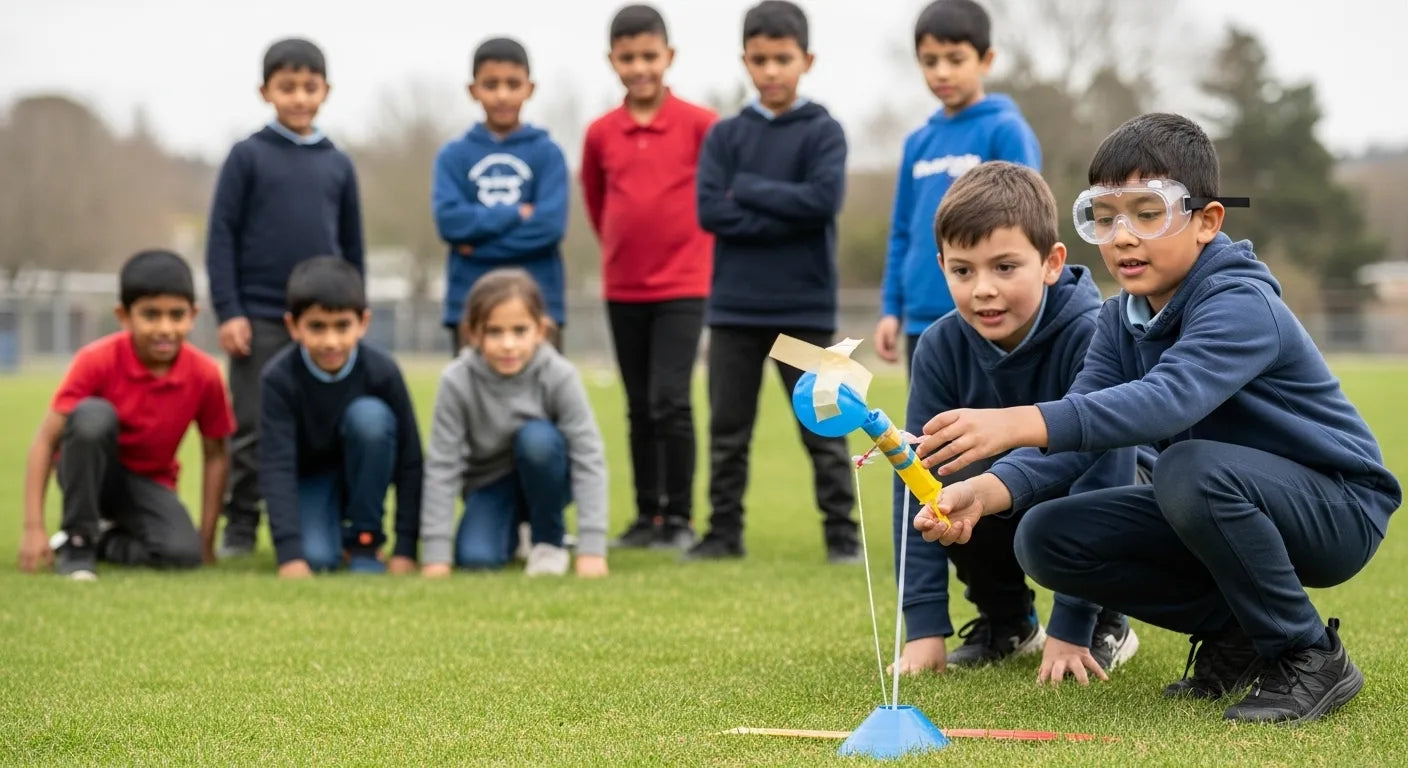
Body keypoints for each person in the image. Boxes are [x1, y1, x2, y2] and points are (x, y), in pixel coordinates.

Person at [915, 113, 1401, 723]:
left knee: (1186, 468)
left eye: (1148, 214)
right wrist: (984, 492)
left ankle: (1308, 654)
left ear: (1207, 221)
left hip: (1339, 509)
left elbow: (1166, 399)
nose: (1122, 237)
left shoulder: (1240, 300)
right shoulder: (1120, 318)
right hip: (1222, 496)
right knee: (1045, 536)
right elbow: (1081, 435)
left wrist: (1015, 421)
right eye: (1105, 216)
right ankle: (1237, 635)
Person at [892, 161, 1141, 678]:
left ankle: (1104, 620)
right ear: (942, 267)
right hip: (1009, 491)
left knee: (1106, 494)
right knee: (951, 480)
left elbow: (1106, 467)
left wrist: (1071, 625)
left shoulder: (1095, 333)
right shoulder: (939, 346)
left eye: (1004, 267)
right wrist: (922, 628)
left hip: (1114, 486)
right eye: (963, 271)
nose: (983, 288)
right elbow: (916, 478)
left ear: (1051, 263)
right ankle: (1008, 621)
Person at [688, 0, 858, 563]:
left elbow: (821, 202)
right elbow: (711, 211)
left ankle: (842, 537)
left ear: (806, 60)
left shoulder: (825, 132)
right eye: (760, 60)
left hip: (804, 307)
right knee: (728, 432)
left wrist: (748, 189)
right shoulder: (724, 136)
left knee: (824, 427)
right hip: (733, 310)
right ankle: (723, 534)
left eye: (783, 59)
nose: (771, 70)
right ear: (745, 61)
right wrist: (785, 211)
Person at [206, 37, 365, 558]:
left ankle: (337, 521)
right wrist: (230, 311)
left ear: (326, 91)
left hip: (325, 323)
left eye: (309, 87)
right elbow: (221, 237)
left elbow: (353, 247)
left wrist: (353, 313)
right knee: (253, 427)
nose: (299, 97)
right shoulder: (246, 157)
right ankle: (241, 525)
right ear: (265, 92)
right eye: (287, 87)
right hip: (259, 318)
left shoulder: (338, 164)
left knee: (332, 422)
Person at [580, 4, 717, 551]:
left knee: (671, 400)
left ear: (669, 56)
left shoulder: (701, 125)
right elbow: (597, 203)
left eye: (648, 56)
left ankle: (679, 517)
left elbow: (715, 195)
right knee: (638, 405)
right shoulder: (599, 133)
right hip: (623, 287)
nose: (639, 67)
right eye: (627, 57)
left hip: (684, 285)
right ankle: (646, 516)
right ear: (612, 60)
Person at [18, 250, 234, 579]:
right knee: (93, 415)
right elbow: (46, 442)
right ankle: (78, 543)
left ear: (193, 315)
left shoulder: (205, 374)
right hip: (90, 474)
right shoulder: (95, 360)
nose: (165, 328)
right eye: (151, 315)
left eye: (177, 315)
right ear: (124, 315)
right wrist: (33, 528)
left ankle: (104, 540)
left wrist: (205, 540)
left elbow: (216, 453)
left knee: (181, 554)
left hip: (150, 485)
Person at [873, 0, 1040, 371]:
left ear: (986, 60)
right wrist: (891, 309)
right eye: (930, 61)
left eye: (955, 59)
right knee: (926, 412)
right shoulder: (917, 142)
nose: (942, 72)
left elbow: (1030, 227)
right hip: (920, 321)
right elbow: (901, 232)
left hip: (987, 315)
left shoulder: (1006, 131)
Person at [420, 268, 609, 578]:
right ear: (473, 333)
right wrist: (436, 554)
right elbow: (442, 466)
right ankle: (518, 531)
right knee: (476, 559)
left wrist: (593, 548)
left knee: (537, 441)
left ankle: (548, 540)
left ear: (540, 330)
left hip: (547, 474)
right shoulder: (456, 380)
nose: (508, 344)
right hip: (490, 483)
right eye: (494, 332)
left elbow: (588, 456)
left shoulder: (560, 375)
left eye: (520, 331)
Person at [259, 257, 422, 577]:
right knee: (317, 558)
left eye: (342, 326)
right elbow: (276, 467)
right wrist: (290, 554)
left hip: (366, 474)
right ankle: (331, 533)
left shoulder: (383, 372)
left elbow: (410, 461)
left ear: (363, 322)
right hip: (312, 479)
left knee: (370, 418)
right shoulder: (278, 379)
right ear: (293, 326)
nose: (331, 341)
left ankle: (364, 541)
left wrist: (405, 548)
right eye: (317, 327)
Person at [434, 37, 569, 354]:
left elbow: (549, 227)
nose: (502, 95)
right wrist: (515, 214)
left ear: (530, 88)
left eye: (513, 84)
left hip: (540, 307)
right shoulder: (453, 156)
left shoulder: (548, 154)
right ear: (473, 90)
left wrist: (477, 245)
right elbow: (450, 222)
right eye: (491, 84)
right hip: (469, 307)